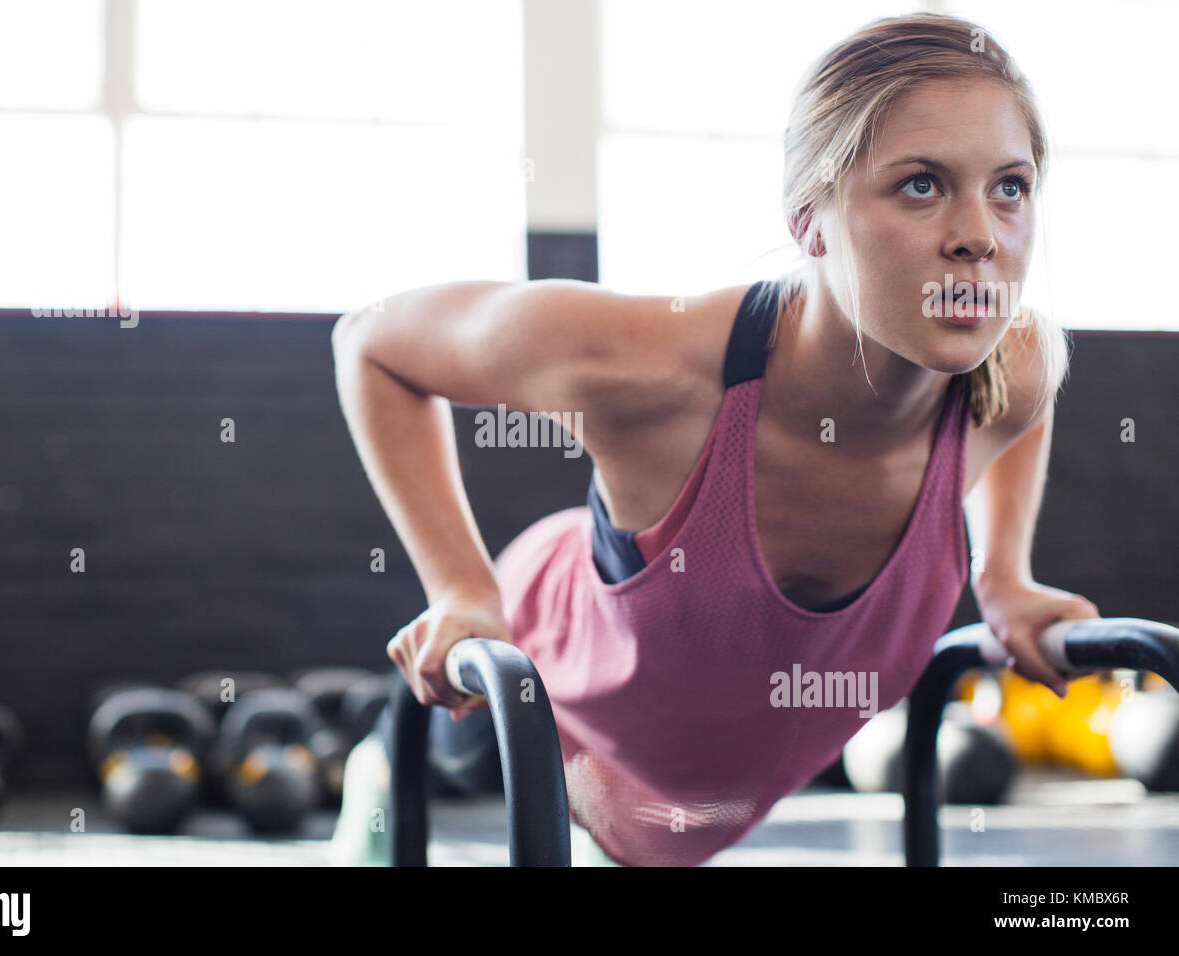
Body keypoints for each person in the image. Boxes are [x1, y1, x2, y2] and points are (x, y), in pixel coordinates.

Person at [327, 12, 1101, 867]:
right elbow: (371, 342)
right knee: (440, 756)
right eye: (920, 184)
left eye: (1010, 187)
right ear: (810, 220)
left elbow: (1024, 402)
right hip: (560, 692)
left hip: (692, 800)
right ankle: (379, 765)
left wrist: (1006, 580)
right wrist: (462, 590)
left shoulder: (1019, 362)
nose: (980, 236)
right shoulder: (646, 363)